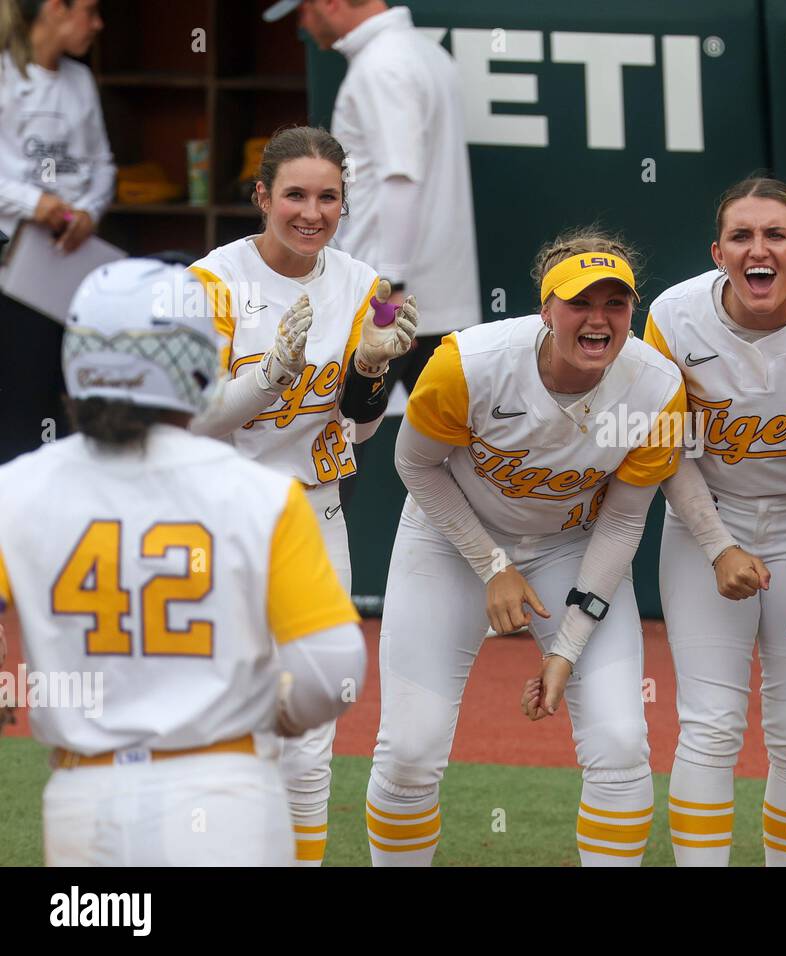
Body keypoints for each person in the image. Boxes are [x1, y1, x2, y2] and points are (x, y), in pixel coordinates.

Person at [0, 258, 366, 866]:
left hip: (85, 800)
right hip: (226, 791)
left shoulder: (16, 489)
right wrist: (271, 713)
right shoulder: (262, 494)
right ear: (196, 364)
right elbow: (333, 673)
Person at [369, 228, 685, 867]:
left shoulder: (658, 386)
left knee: (622, 745)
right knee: (410, 748)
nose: (598, 319)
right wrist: (492, 564)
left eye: (616, 304)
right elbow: (415, 465)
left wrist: (566, 648)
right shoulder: (471, 361)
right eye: (579, 302)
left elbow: (624, 525)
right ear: (546, 311)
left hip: (572, 544)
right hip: (450, 538)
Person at [187, 125, 416, 865]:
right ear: (261, 197)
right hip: (219, 515)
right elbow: (188, 416)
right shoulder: (210, 283)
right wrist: (270, 373)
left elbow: (364, 425)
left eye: (328, 197)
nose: (311, 211)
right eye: (294, 194)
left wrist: (375, 373)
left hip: (314, 514)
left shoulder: (368, 288)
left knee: (313, 721)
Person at [642, 177, 786, 866]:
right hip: (709, 519)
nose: (757, 249)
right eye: (741, 235)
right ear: (718, 251)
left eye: (775, 235)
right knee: (709, 725)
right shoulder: (674, 315)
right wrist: (716, 545)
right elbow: (665, 450)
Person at [264, 0, 480, 403]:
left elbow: (401, 179)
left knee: (333, 437)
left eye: (303, 11)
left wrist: (389, 289)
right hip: (426, 301)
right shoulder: (425, 54)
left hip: (386, 304)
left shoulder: (382, 66)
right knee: (447, 450)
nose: (302, 26)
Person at [0, 0, 114, 462]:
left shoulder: (79, 80)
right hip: (11, 263)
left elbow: (102, 164)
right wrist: (35, 203)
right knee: (18, 399)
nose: (98, 23)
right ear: (54, 9)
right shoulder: (5, 76)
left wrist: (85, 212)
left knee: (68, 393)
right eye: (89, 10)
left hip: (69, 261)